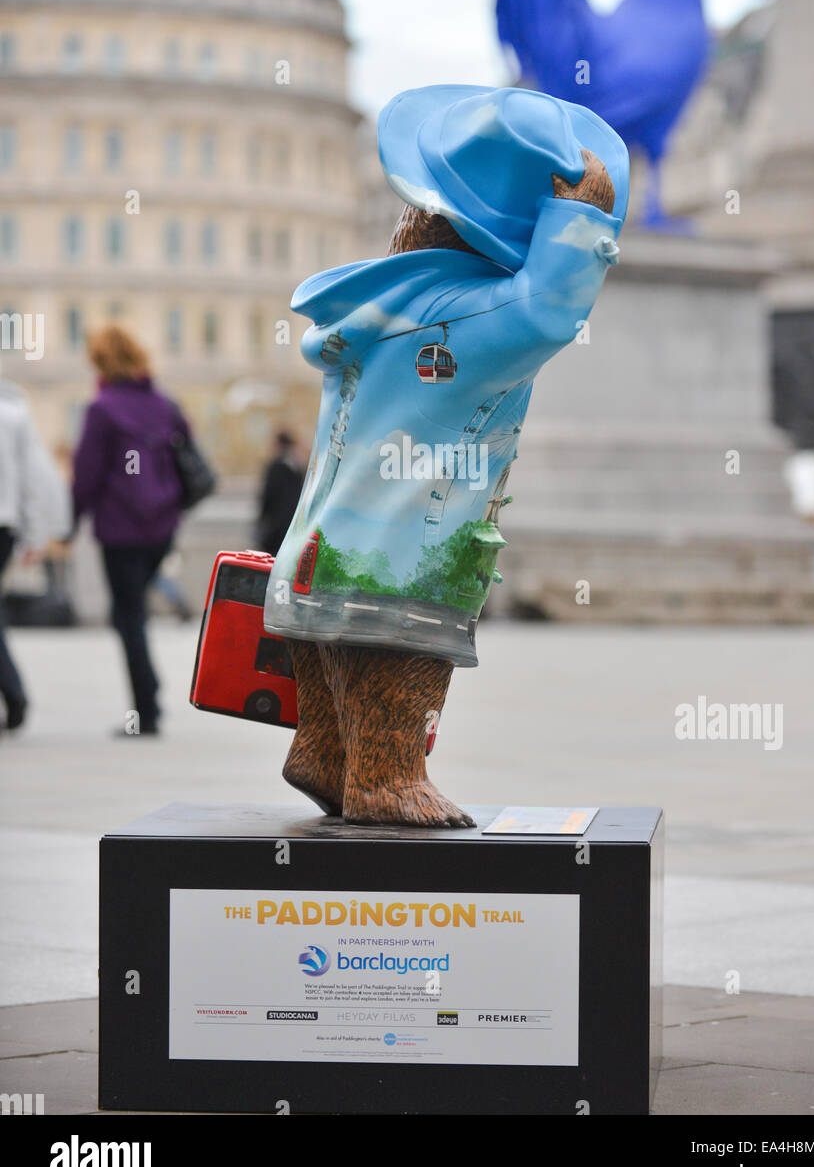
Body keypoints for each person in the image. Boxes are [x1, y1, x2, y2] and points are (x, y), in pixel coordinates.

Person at [263, 84, 627, 826]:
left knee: (341, 667)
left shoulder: (383, 306)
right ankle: (386, 777)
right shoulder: (468, 315)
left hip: (323, 546)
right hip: (402, 560)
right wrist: (582, 215)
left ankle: (327, 750)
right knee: (401, 669)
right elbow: (547, 310)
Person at [72, 326, 189, 737]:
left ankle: (146, 710)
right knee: (133, 611)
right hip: (162, 528)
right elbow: (187, 460)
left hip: (120, 528)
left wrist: (68, 523)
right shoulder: (165, 405)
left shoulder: (102, 410)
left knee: (127, 615)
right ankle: (150, 691)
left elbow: (86, 476)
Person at [0, 370, 71, 732]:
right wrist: (34, 534)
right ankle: (13, 695)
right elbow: (34, 477)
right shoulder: (14, 409)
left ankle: (14, 696)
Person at [255, 430, 305, 558]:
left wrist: (261, 520)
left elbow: (267, 496)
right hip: (293, 524)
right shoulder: (297, 466)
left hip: (275, 527)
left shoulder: (275, 467)